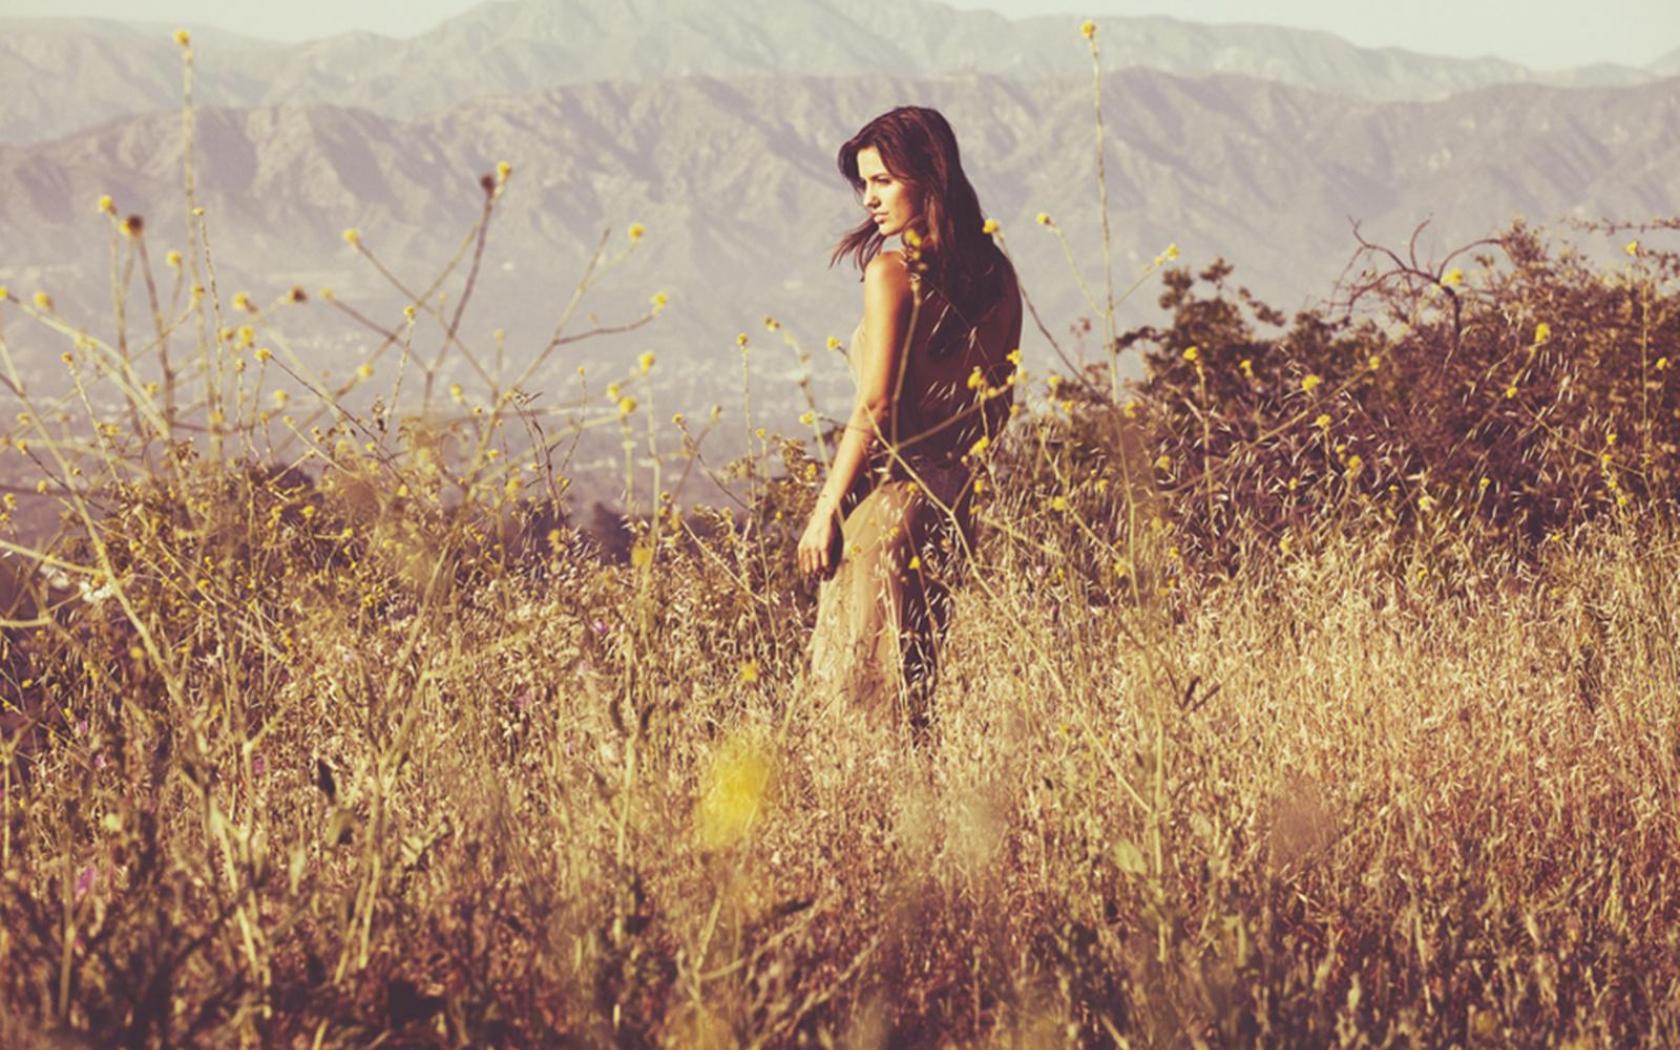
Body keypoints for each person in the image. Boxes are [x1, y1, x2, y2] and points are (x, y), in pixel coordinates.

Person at [797, 105, 1023, 740]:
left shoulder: (892, 272)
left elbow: (875, 405)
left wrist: (827, 511)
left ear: (930, 176)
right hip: (953, 503)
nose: (869, 199)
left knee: (862, 699)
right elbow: (999, 404)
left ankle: (872, 805)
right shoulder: (998, 277)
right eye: (864, 183)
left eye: (883, 181)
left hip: (890, 499)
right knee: (913, 688)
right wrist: (953, 478)